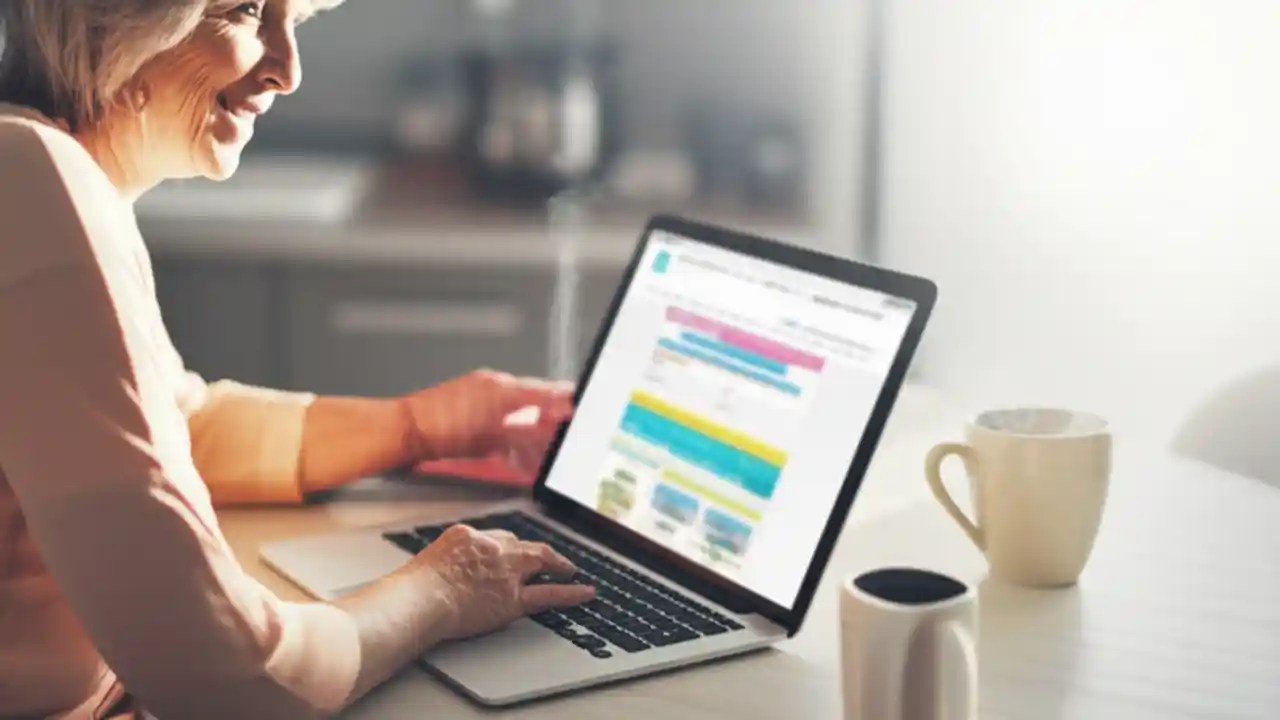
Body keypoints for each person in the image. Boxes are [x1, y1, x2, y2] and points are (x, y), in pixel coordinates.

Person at [0, 1, 595, 717]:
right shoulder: (31, 175)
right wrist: (441, 590)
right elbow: (227, 673)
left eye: (296, 21)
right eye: (248, 11)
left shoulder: (35, 165)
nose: (288, 71)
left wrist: (423, 425)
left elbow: (171, 426)